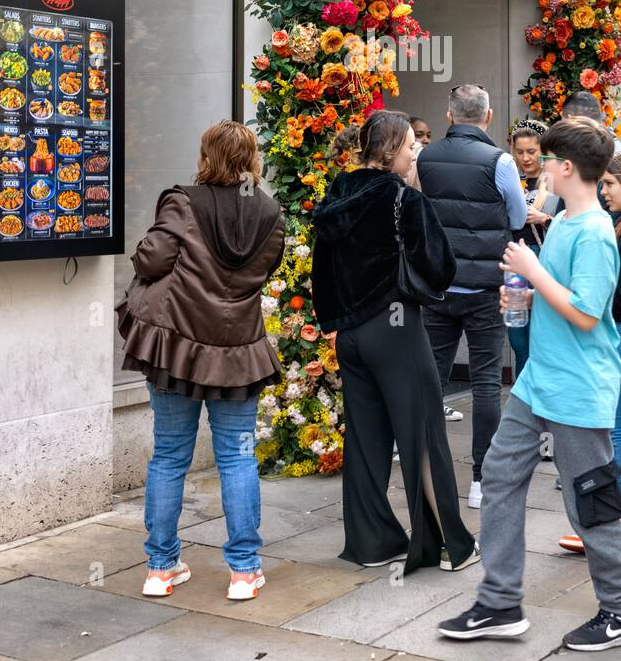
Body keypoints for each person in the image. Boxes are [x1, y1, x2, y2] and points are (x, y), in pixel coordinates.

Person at [438, 118, 621, 651]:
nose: (541, 168)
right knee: (501, 475)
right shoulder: (562, 224)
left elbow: (584, 313)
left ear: (568, 167)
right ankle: (500, 603)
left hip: (578, 386)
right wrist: (529, 299)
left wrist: (532, 273)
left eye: (549, 160)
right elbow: (566, 300)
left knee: (591, 502)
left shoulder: (597, 234)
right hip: (540, 381)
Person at [116, 121, 285, 602]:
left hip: (177, 347)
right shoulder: (271, 212)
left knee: (170, 455)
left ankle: (161, 568)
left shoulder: (183, 201)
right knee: (238, 456)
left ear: (207, 155)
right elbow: (262, 271)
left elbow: (150, 261)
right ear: (251, 159)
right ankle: (244, 572)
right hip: (237, 351)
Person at [310, 110, 478, 574]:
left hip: (350, 335)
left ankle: (372, 543)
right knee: (423, 432)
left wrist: (335, 320)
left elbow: (320, 271)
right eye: (409, 146)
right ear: (388, 151)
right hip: (397, 328)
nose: (415, 153)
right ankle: (447, 544)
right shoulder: (405, 199)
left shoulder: (335, 195)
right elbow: (442, 268)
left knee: (365, 440)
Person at [417, 84, 527, 510]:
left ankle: (427, 471)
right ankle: (481, 479)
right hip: (484, 288)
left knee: (432, 380)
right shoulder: (499, 161)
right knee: (485, 383)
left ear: (448, 115)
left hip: (439, 286)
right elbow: (517, 216)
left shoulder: (426, 157)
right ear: (489, 115)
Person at [557, 147, 621, 554]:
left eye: (611, 184)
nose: (604, 191)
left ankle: (620, 525)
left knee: (619, 430)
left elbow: (620, 301)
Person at [507, 121, 559, 379]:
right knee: (518, 340)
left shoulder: (555, 182)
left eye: (532, 151)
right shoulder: (508, 179)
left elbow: (571, 224)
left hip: (543, 263)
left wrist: (545, 219)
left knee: (543, 336)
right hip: (514, 266)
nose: (525, 158)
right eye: (520, 151)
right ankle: (521, 399)